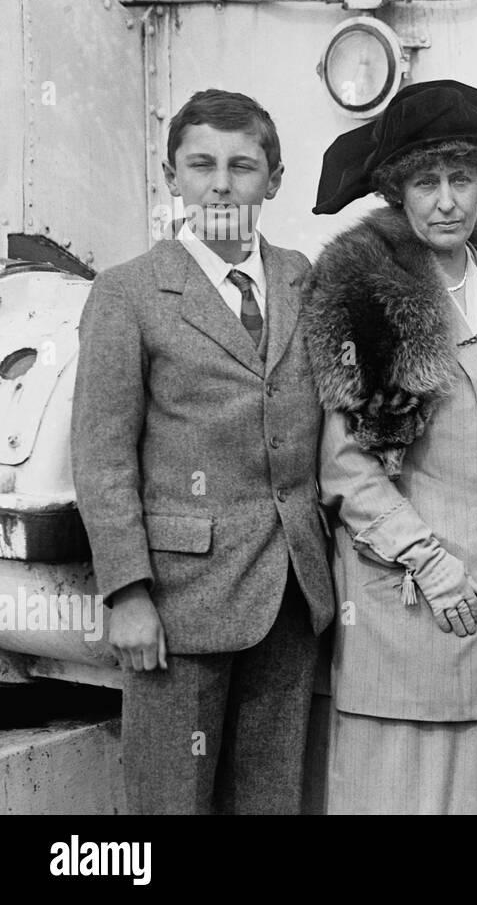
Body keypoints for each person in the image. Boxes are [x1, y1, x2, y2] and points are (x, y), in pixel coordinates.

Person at [303, 79, 477, 814]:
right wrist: (430, 563)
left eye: (461, 179)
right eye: (426, 182)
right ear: (398, 190)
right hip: (410, 604)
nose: (446, 201)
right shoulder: (367, 284)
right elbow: (346, 467)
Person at [70, 89, 335, 814]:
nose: (221, 183)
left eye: (243, 166)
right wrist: (127, 594)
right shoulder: (129, 294)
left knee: (269, 800)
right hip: (179, 602)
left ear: (273, 181)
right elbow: (102, 458)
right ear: (172, 176)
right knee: (172, 804)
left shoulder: (300, 279)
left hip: (289, 594)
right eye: (202, 164)